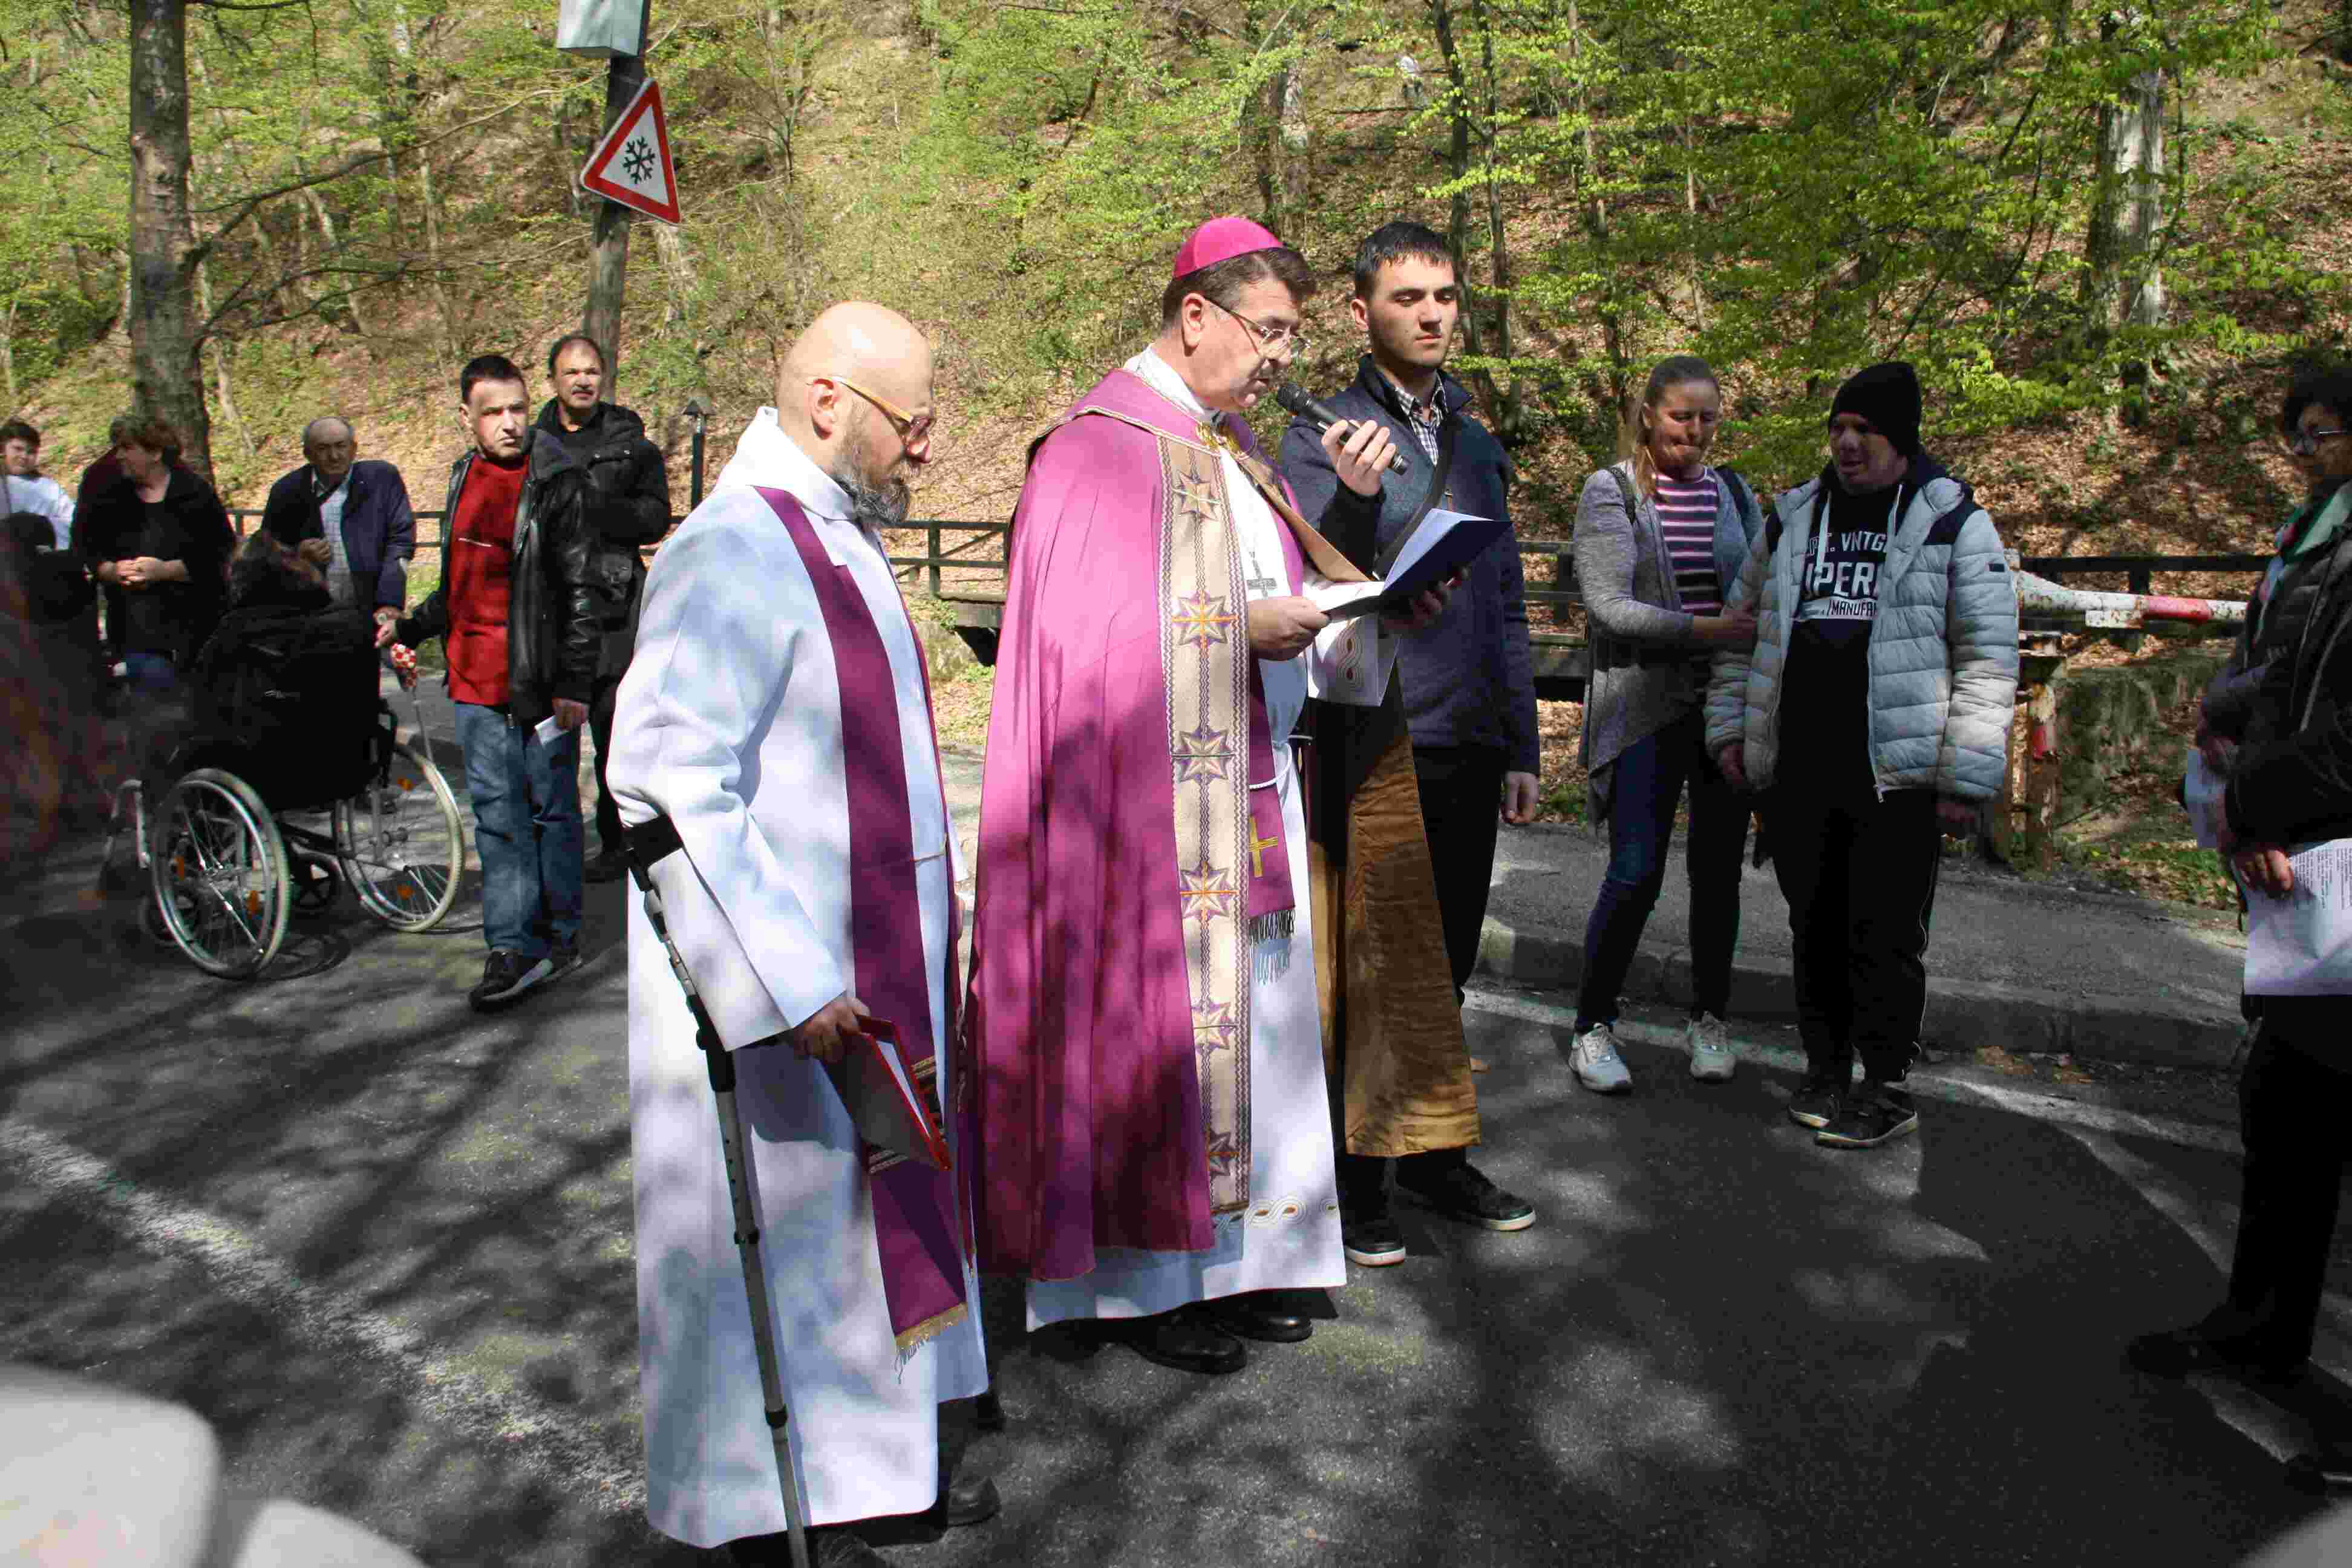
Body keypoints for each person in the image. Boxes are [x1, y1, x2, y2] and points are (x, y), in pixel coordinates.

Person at [969, 216, 1440, 1374]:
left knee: (1253, 1049)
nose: (1282, 355)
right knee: (1159, 1047)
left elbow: (1281, 597)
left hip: (1247, 789)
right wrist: (1244, 629)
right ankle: (1139, 1284)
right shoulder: (1095, 448)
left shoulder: (1225, 444)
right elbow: (1084, 651)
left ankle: (1232, 1265)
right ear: (1196, 316)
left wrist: (1351, 611)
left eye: (1287, 333)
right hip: (1143, 823)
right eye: (1268, 330)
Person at [606, 303, 997, 1568]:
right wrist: (787, 974)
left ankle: (877, 1465)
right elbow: (666, 779)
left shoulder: (832, 534)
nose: (925, 453)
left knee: (855, 1232)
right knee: (785, 1248)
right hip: (794, 981)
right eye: (913, 423)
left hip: (874, 958)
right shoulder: (732, 550)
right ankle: (771, 1497)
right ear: (831, 400)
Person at [1275, 218, 1536, 1267]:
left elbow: (1507, 598)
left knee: (1452, 958)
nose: (1431, 315)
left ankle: (1433, 1153)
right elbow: (1310, 573)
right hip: (1371, 724)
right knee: (1367, 958)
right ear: (1360, 312)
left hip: (1469, 731)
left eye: (1443, 297)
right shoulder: (1318, 430)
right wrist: (1358, 492)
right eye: (1406, 298)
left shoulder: (1473, 438)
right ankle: (1356, 1175)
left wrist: (1520, 739)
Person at [1704, 362, 2017, 1148]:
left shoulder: (1951, 520)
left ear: (1900, 439)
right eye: (1837, 429)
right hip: (1803, 766)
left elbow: (1986, 655)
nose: (1846, 444)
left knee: (1883, 936)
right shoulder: (1794, 518)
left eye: (1864, 431)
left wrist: (1967, 776)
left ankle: (1886, 1085)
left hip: (1898, 775)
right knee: (1814, 926)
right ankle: (1825, 1067)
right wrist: (1732, 733)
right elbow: (1743, 637)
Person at [2126, 368, 2352, 1393]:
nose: (2302, 457)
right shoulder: (2320, 549)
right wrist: (2249, 793)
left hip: (2328, 847)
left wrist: (2258, 797)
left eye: (2320, 438)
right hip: (2313, 859)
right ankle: (2262, 1325)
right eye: (2298, 439)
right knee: (2284, 1104)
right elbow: (2283, 680)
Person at [1567, 356, 1765, 1093]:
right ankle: (1592, 1026)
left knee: (1717, 877)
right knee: (1636, 872)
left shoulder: (1735, 493)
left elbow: (1758, 589)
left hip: (1724, 711)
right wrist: (1711, 629)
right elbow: (1610, 606)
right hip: (1644, 709)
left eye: (1708, 416)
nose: (1696, 430)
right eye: (1683, 415)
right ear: (1648, 414)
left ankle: (1709, 1019)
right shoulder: (1611, 491)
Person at [381, 355, 600, 1013]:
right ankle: (511, 946)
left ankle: (560, 937)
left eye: (517, 409)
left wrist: (574, 681)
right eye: (492, 413)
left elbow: (584, 590)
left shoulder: (558, 479)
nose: (509, 424)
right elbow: (458, 582)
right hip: (474, 682)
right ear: (466, 419)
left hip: (540, 684)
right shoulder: (461, 478)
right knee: (499, 822)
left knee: (552, 814)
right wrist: (413, 626)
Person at [532, 332, 673, 884]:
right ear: (555, 381)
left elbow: (655, 517)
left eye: (592, 371)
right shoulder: (533, 441)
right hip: (550, 606)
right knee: (550, 732)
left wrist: (594, 510)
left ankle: (621, 842)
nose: (584, 380)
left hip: (614, 602)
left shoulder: (630, 441)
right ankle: (555, 842)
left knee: (618, 730)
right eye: (572, 373)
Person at [76, 416, 232, 701]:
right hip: (135, 631)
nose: (118, 455)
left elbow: (221, 556)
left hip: (196, 629)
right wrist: (111, 570)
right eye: (116, 447)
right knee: (151, 719)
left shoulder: (195, 494)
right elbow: (86, 546)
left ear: (155, 452)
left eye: (126, 447)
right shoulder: (110, 498)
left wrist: (166, 570)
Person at [256, 416, 416, 633]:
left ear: (354, 448)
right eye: (323, 449)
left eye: (341, 446)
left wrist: (390, 601)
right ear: (308, 454)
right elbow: (266, 557)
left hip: (371, 612)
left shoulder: (381, 481)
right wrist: (297, 556)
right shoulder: (286, 492)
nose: (334, 456)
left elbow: (400, 541)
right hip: (309, 619)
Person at [2, 420, 77, 550]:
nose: (24, 456)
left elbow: (74, 523)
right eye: (18, 449)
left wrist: (42, 526)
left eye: (31, 452)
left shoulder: (48, 488)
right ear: (3, 450)